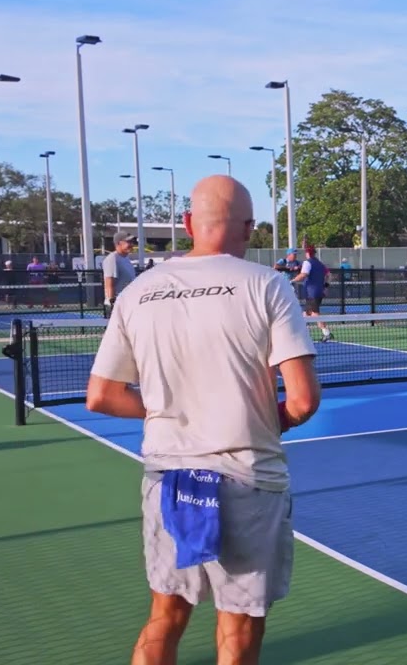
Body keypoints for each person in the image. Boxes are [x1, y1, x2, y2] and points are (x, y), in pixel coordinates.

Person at [86, 175, 322, 664]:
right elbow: (302, 401)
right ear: (249, 228)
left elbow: (102, 396)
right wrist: (260, 418)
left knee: (164, 617)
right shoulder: (268, 284)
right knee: (238, 628)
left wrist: (174, 408)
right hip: (249, 480)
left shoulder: (138, 292)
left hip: (169, 480)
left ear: (189, 222)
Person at [291, 245, 333, 342]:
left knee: (314, 313)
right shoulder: (320, 264)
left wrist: (292, 281)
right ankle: (301, 334)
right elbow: (329, 275)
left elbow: (303, 274)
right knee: (306, 313)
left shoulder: (307, 262)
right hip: (317, 292)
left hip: (312, 293)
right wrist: (326, 286)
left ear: (307, 253)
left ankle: (327, 333)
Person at [103, 232, 139, 316]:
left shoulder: (126, 258)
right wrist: (112, 304)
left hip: (127, 303)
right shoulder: (112, 258)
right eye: (128, 242)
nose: (131, 245)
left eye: (132, 242)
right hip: (117, 306)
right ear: (119, 243)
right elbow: (109, 284)